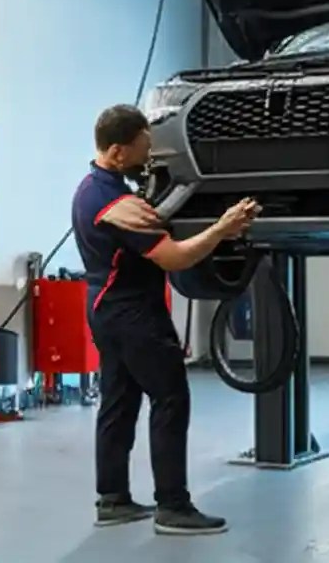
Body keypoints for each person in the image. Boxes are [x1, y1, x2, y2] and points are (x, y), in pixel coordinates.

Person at [70, 103, 260, 536]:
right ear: (118, 151)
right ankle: (173, 506)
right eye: (144, 146)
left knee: (119, 401)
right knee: (170, 398)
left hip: (104, 307)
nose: (149, 154)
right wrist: (223, 228)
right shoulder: (118, 204)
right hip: (133, 314)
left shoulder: (90, 188)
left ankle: (113, 499)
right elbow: (175, 257)